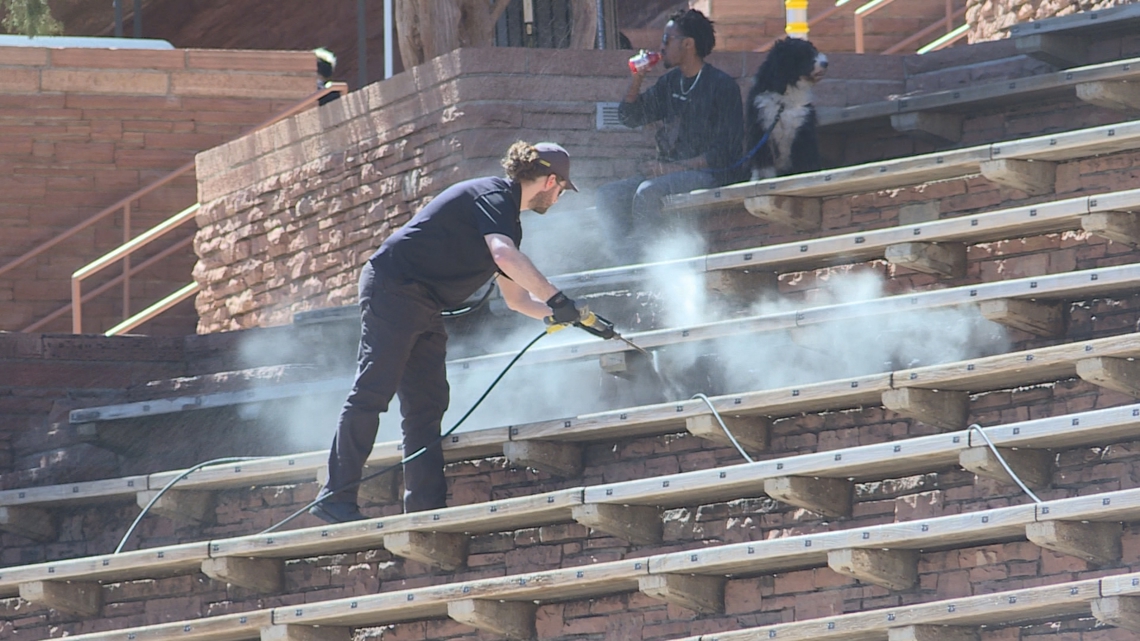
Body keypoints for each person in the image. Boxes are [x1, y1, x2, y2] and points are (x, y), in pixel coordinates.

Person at [311, 141, 585, 524]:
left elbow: (517, 300)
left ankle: (426, 508)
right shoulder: (493, 197)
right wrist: (557, 299)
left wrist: (565, 317)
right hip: (394, 286)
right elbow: (504, 256)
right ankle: (334, 497)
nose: (558, 199)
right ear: (550, 181)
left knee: (428, 403)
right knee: (373, 391)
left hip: (423, 303)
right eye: (560, 190)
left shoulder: (505, 220)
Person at [596, 9, 744, 260]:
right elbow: (630, 117)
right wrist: (637, 79)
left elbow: (725, 153)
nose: (661, 47)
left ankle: (646, 265)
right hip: (670, 173)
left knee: (648, 191)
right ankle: (618, 261)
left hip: (710, 174)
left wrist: (671, 169)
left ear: (688, 44)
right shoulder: (670, 82)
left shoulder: (721, 85)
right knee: (608, 194)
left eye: (667, 39)